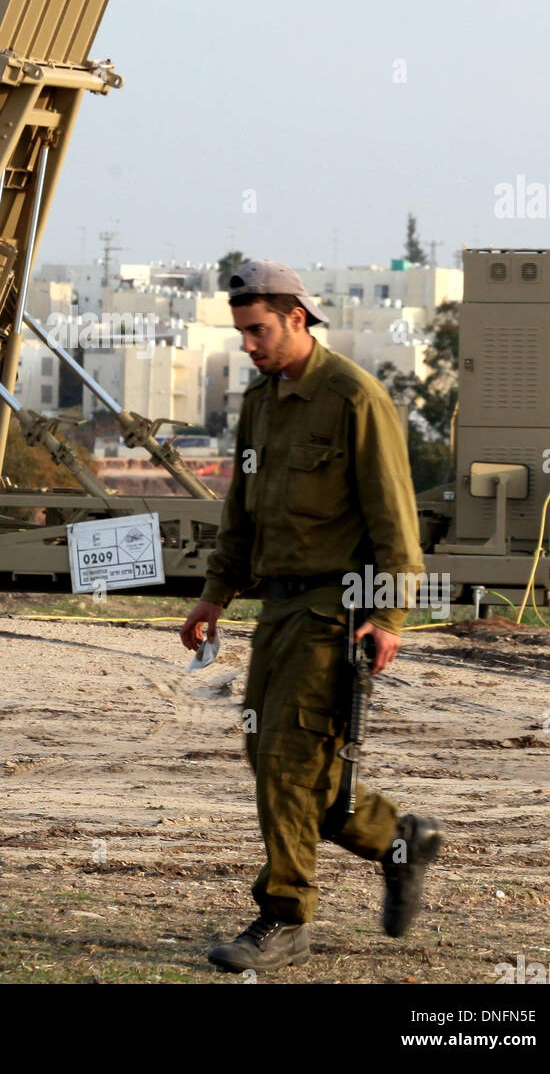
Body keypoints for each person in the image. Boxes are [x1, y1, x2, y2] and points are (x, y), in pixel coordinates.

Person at [179, 259, 442, 974]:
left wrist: (388, 617)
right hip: (278, 604)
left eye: (259, 330)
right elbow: (241, 513)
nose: (249, 345)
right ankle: (397, 839)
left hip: (336, 608)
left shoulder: (354, 398)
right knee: (279, 763)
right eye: (241, 333)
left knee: (290, 762)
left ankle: (284, 916)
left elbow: (397, 524)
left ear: (298, 317)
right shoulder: (261, 402)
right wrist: (215, 594)